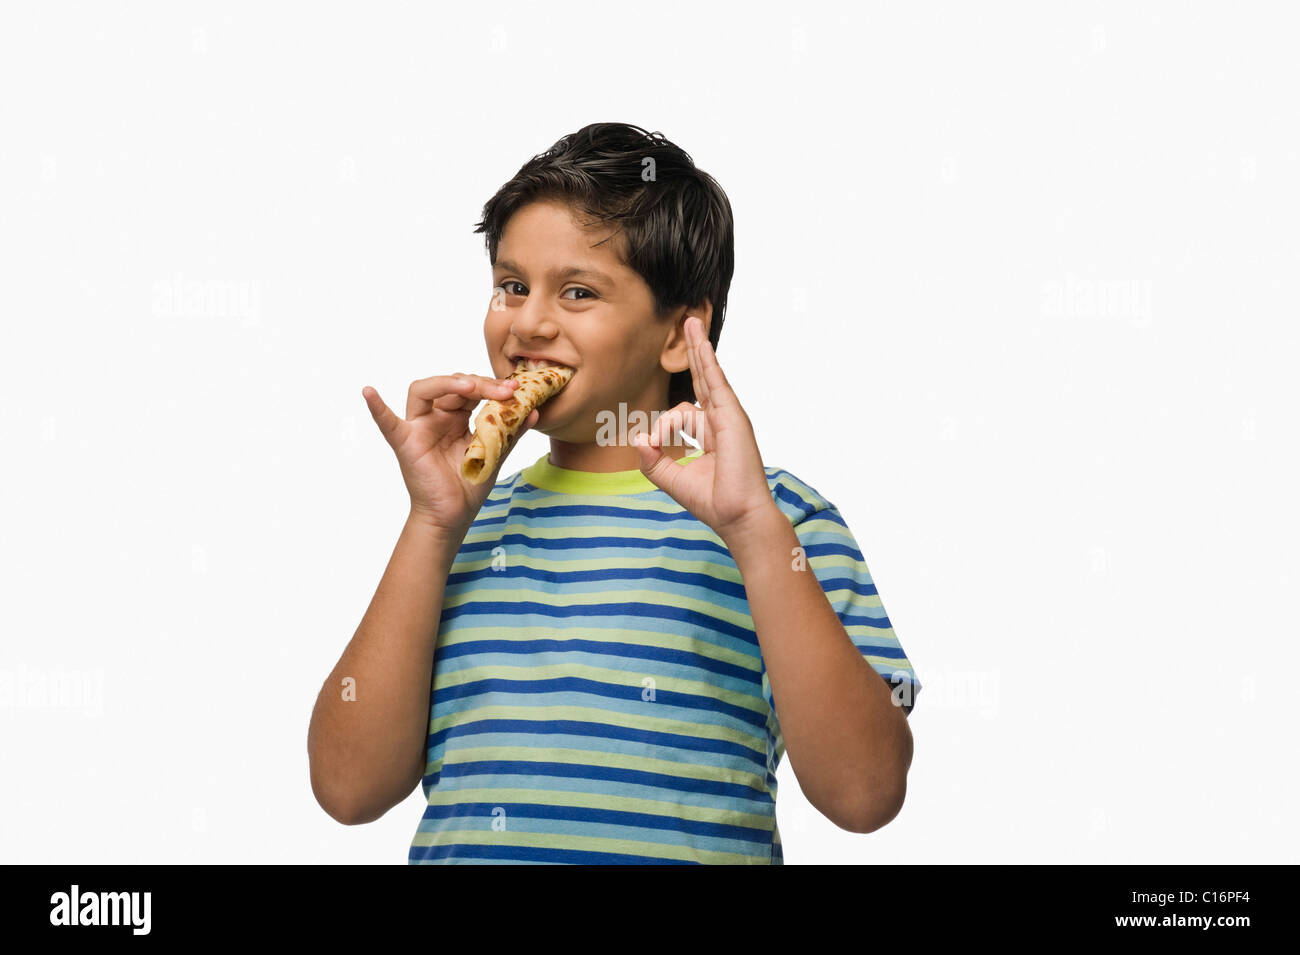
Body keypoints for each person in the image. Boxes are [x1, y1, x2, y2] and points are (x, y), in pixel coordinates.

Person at [307, 123, 921, 864]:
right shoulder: (459, 531)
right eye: (511, 285)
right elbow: (347, 789)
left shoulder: (775, 516)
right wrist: (431, 525)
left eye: (577, 291)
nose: (528, 322)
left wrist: (757, 533)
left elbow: (865, 792)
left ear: (679, 334)